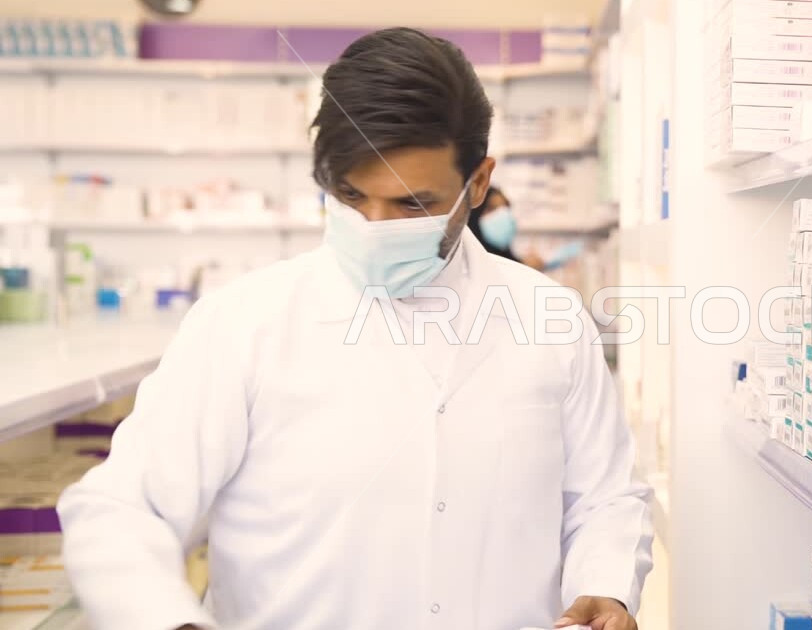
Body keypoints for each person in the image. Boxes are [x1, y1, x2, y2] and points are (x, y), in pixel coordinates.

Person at [57, 27, 652, 630]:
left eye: (411, 205)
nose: (372, 225)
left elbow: (603, 496)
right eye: (350, 195)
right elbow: (122, 508)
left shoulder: (549, 318)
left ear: (476, 183)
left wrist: (606, 585)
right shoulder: (242, 324)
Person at [468, 186, 546, 270]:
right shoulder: (468, 266)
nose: (502, 215)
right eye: (492, 208)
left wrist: (525, 268)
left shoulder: (510, 262)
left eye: (505, 208)